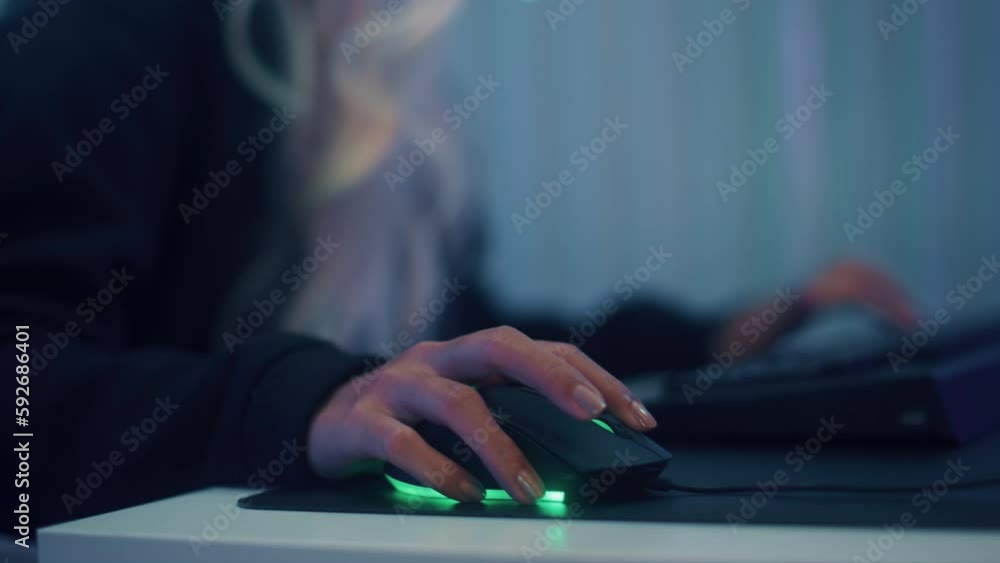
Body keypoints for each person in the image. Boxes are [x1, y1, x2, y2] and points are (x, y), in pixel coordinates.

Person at [0, 0, 913, 527]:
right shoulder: (118, 31)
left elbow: (453, 334)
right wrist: (306, 397)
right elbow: (21, 405)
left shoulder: (382, 88)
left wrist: (722, 336)